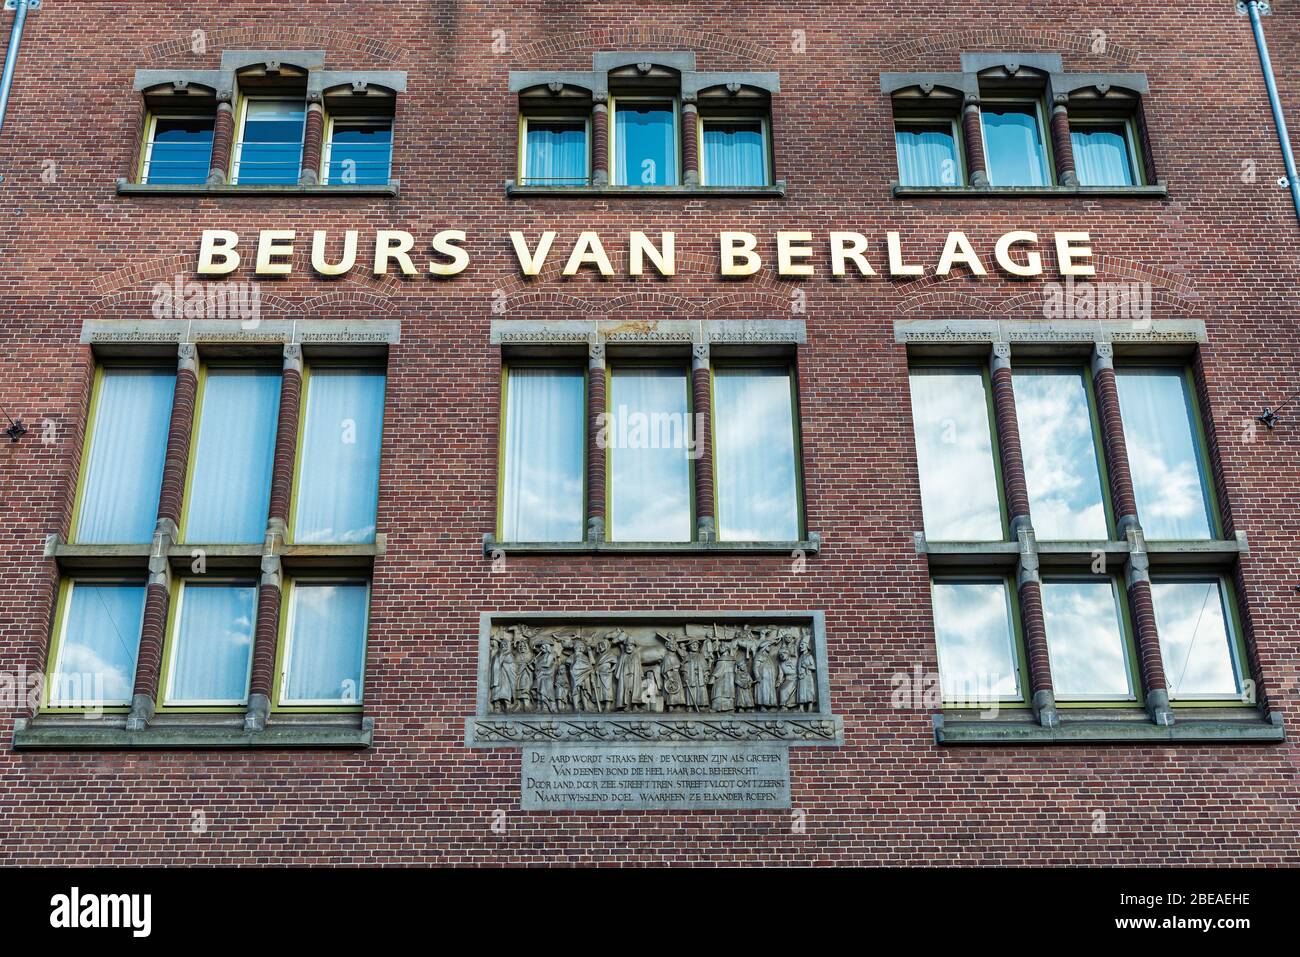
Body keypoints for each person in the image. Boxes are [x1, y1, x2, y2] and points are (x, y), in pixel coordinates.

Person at [659, 634, 687, 712]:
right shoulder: (667, 657)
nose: (674, 646)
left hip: (676, 675)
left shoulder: (676, 656)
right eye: (672, 645)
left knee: (678, 691)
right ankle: (670, 707)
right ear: (668, 646)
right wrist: (670, 677)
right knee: (671, 691)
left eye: (675, 645)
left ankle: (677, 705)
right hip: (670, 676)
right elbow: (666, 669)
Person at [616, 635, 643, 711]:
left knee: (635, 690)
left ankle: (635, 706)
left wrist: (640, 674)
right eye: (627, 645)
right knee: (625, 690)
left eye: (631, 645)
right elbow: (619, 668)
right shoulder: (623, 656)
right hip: (625, 677)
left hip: (634, 676)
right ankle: (626, 706)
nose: (628, 647)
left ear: (634, 646)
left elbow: (639, 667)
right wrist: (619, 675)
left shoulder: (636, 656)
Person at [569, 639, 596, 712]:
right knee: (575, 690)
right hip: (575, 675)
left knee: (584, 690)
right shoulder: (573, 656)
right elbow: (567, 661)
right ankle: (576, 707)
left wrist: (590, 651)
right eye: (577, 646)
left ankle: (586, 707)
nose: (578, 648)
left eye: (581, 646)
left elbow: (592, 662)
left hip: (585, 675)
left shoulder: (585, 657)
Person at [683, 640, 711, 711]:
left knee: (701, 690)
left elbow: (705, 666)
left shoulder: (701, 656)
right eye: (693, 645)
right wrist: (685, 674)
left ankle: (701, 705)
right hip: (690, 676)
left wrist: (706, 675)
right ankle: (690, 705)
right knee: (691, 690)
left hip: (700, 676)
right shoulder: (687, 656)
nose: (695, 646)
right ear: (689, 647)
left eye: (696, 645)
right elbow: (684, 666)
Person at [753, 634, 778, 710]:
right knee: (763, 691)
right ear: (765, 647)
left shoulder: (767, 656)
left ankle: (770, 705)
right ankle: (762, 706)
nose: (769, 648)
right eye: (768, 646)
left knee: (769, 691)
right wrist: (757, 676)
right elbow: (755, 667)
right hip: (762, 678)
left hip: (769, 678)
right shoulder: (759, 655)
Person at [709, 643, 736, 712]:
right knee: (728, 694)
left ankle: (716, 708)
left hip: (721, 679)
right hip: (730, 679)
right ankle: (729, 708)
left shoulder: (722, 660)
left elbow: (718, 670)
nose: (719, 648)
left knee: (718, 693)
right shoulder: (732, 659)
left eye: (721, 647)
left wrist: (713, 677)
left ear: (726, 648)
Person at [594, 639, 619, 712]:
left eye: (602, 645)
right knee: (600, 690)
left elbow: (616, 663)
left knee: (607, 689)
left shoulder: (610, 654)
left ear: (606, 646)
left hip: (606, 674)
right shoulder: (598, 656)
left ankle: (607, 707)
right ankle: (601, 706)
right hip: (598, 674)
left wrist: (611, 670)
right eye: (600, 646)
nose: (601, 647)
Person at [796, 634, 817, 711]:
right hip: (801, 677)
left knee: (808, 691)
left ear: (807, 646)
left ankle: (810, 708)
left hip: (807, 676)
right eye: (800, 645)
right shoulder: (801, 656)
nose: (801, 646)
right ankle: (801, 708)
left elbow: (813, 667)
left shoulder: (809, 656)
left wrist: (806, 666)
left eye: (802, 645)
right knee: (801, 691)